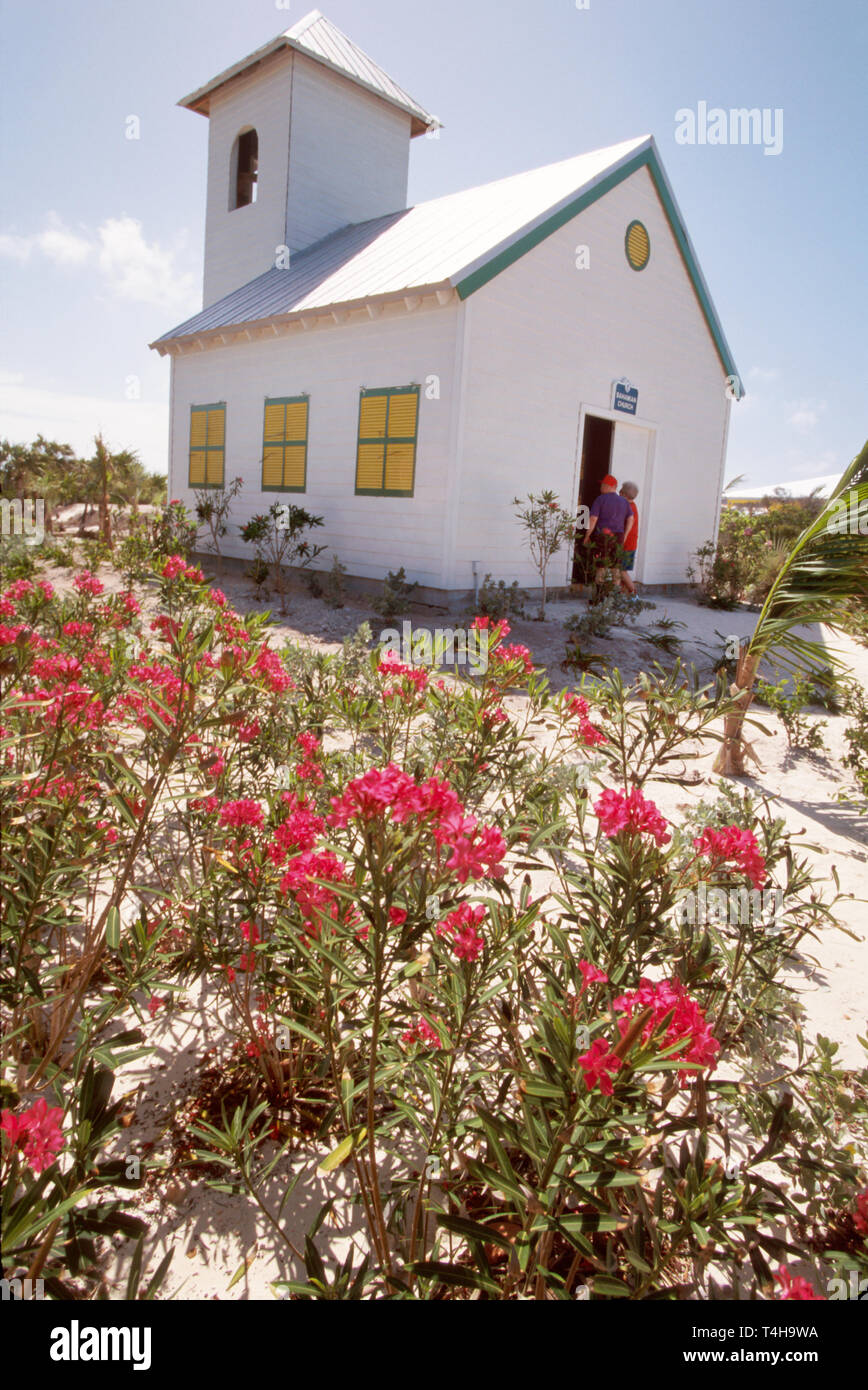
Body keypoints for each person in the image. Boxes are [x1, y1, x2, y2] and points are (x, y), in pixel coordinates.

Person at [584, 474, 632, 599]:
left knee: (601, 566)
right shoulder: (624, 502)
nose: (601, 487)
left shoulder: (600, 499)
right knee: (615, 567)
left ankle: (598, 598)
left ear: (608, 486)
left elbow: (593, 519)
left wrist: (587, 535)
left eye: (603, 485)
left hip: (603, 537)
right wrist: (625, 535)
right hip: (619, 536)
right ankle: (614, 598)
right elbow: (630, 519)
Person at [618, 481, 640, 595]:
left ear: (624, 494)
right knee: (620, 570)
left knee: (621, 570)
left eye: (621, 491)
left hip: (626, 544)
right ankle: (621, 594)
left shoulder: (628, 508)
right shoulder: (632, 506)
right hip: (630, 543)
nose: (619, 492)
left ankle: (633, 592)